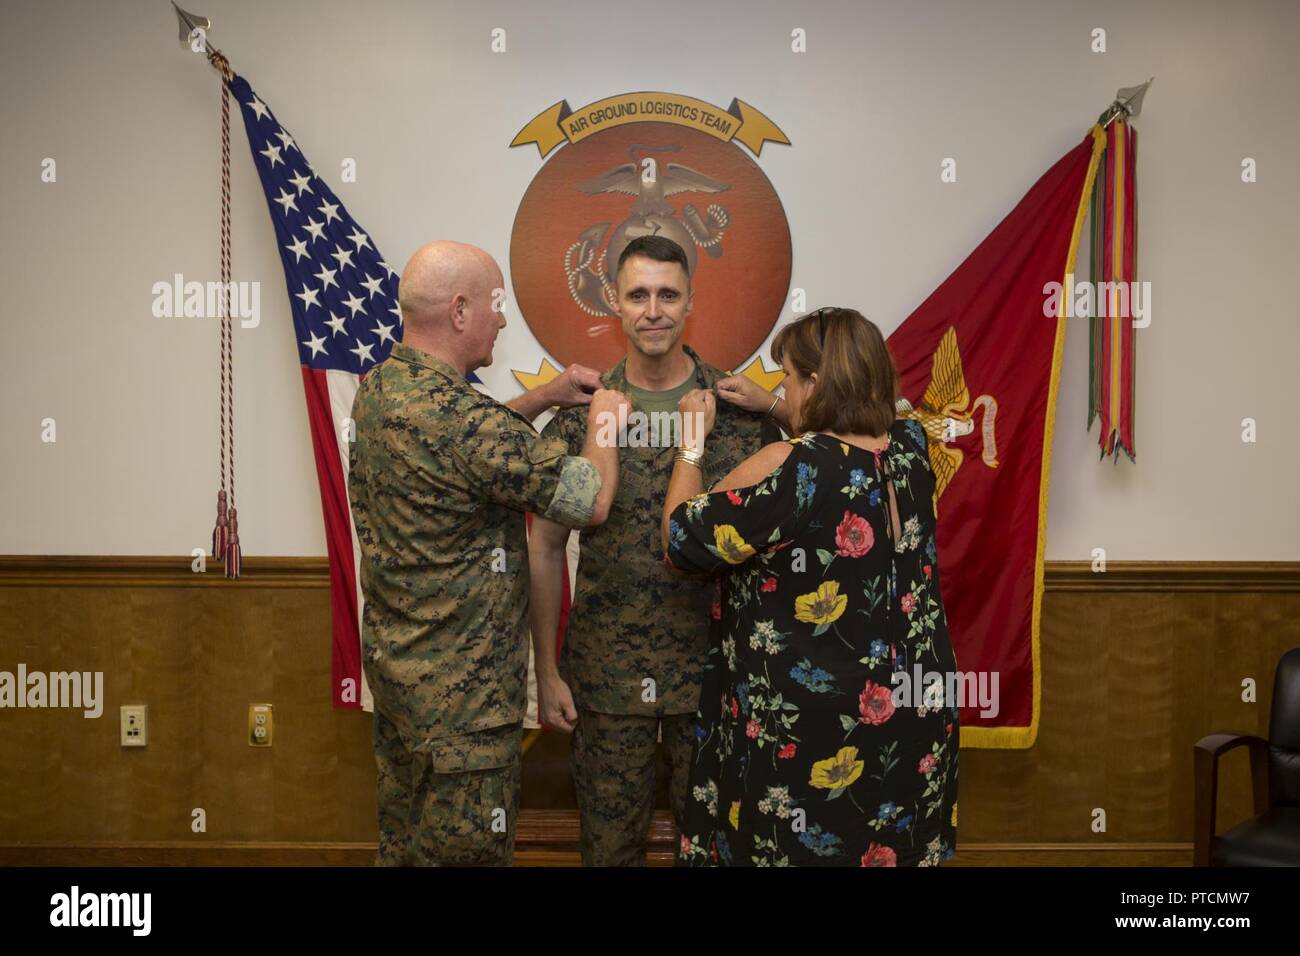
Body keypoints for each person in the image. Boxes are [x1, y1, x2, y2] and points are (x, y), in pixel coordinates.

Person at [348, 239, 626, 866]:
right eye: (496, 304)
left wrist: (542, 398)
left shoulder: (383, 388)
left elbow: (460, 452)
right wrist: (604, 419)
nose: (503, 317)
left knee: (405, 851)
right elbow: (591, 501)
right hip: (465, 710)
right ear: (459, 310)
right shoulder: (466, 423)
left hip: (401, 687)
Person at [661, 306, 959, 866]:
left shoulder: (788, 467)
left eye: (789, 379)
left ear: (815, 383)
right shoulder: (913, 448)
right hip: (917, 713)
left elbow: (681, 541)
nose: (781, 388)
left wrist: (690, 446)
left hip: (811, 727)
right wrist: (775, 406)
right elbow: (847, 434)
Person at [527, 235, 771, 865]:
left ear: (690, 301)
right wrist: (547, 670)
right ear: (615, 303)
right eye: (638, 295)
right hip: (606, 681)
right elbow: (545, 546)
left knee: (716, 853)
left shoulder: (737, 411)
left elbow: (817, 483)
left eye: (668, 294)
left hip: (715, 677)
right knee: (608, 853)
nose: (653, 310)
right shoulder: (585, 412)